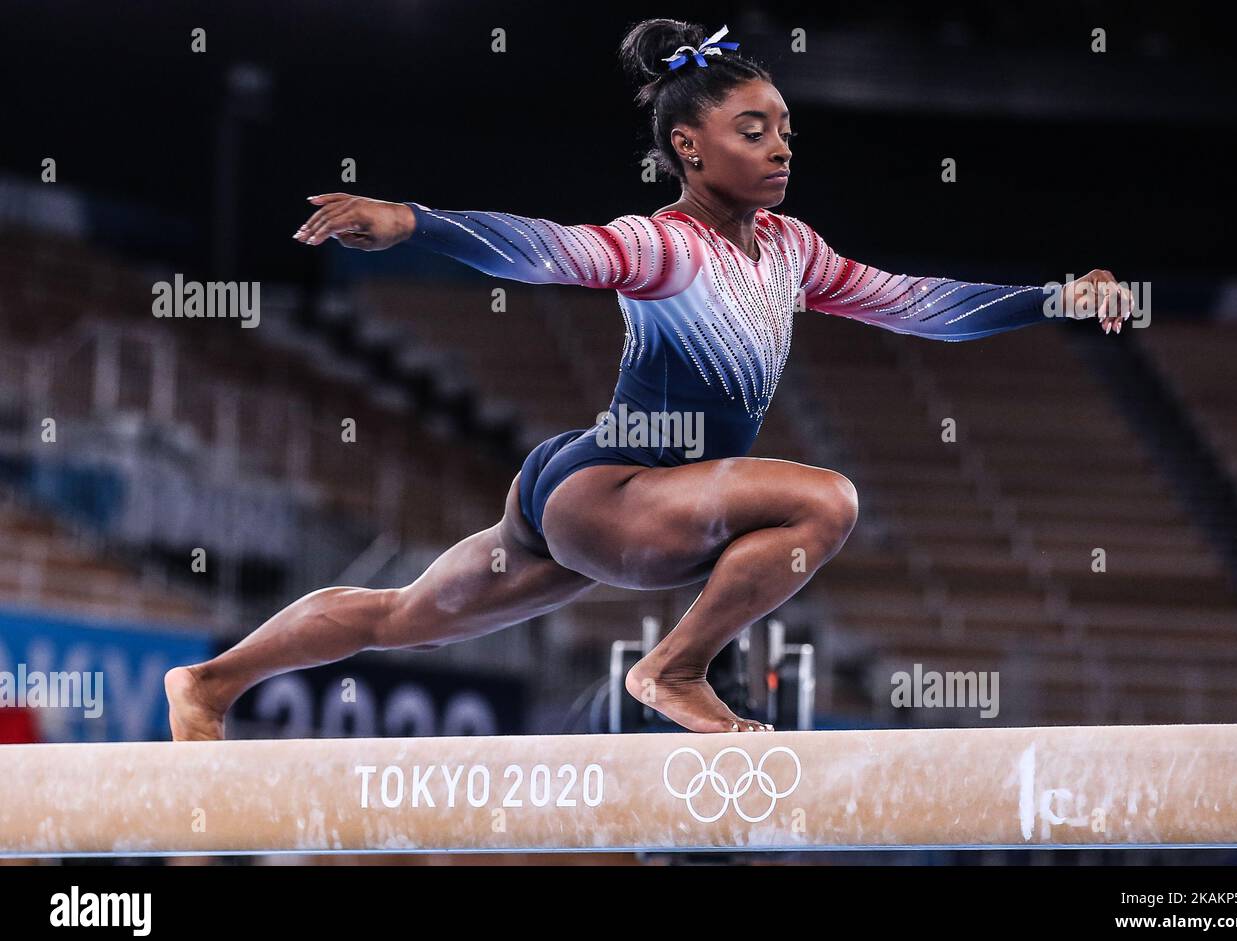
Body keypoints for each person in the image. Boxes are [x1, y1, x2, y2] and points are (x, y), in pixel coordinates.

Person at [166, 18, 1131, 740]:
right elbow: (545, 248)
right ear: (688, 147)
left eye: (786, 129)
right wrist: (413, 221)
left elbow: (922, 305)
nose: (781, 147)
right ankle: (673, 671)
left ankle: (210, 684)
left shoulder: (793, 250)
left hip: (589, 495)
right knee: (824, 505)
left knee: (402, 616)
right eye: (753, 131)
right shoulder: (660, 247)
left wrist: (1052, 298)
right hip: (615, 493)